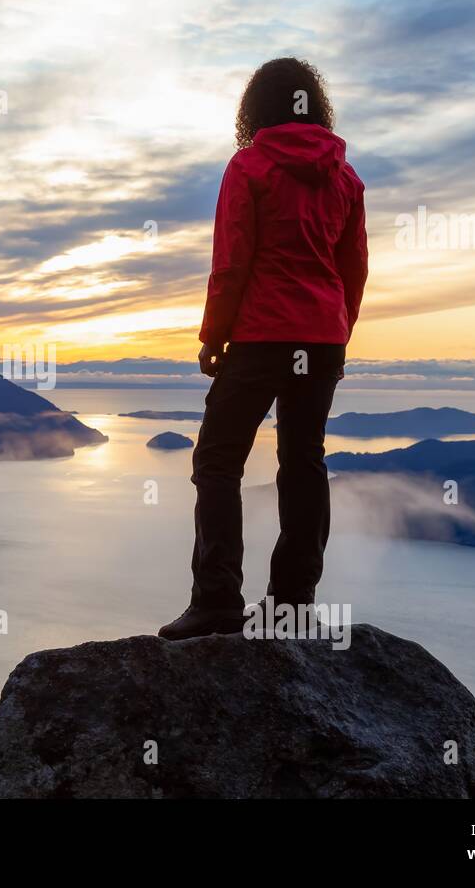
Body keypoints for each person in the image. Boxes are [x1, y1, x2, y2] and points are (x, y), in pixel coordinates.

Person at [159, 58, 368, 640]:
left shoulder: (248, 166)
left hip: (260, 335)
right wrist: (338, 335)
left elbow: (231, 260)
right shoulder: (345, 179)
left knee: (218, 462)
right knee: (303, 463)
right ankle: (294, 605)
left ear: (254, 110)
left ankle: (217, 599)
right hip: (320, 338)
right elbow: (354, 272)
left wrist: (213, 335)